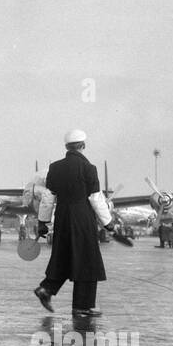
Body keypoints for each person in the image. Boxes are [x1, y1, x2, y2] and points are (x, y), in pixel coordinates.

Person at [32, 130, 117, 318]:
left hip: (62, 218)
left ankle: (46, 289)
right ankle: (82, 306)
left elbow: (48, 198)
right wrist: (108, 223)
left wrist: (42, 222)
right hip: (83, 219)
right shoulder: (89, 168)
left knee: (63, 257)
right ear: (83, 146)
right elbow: (95, 198)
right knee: (87, 260)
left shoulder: (55, 168)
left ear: (66, 147)